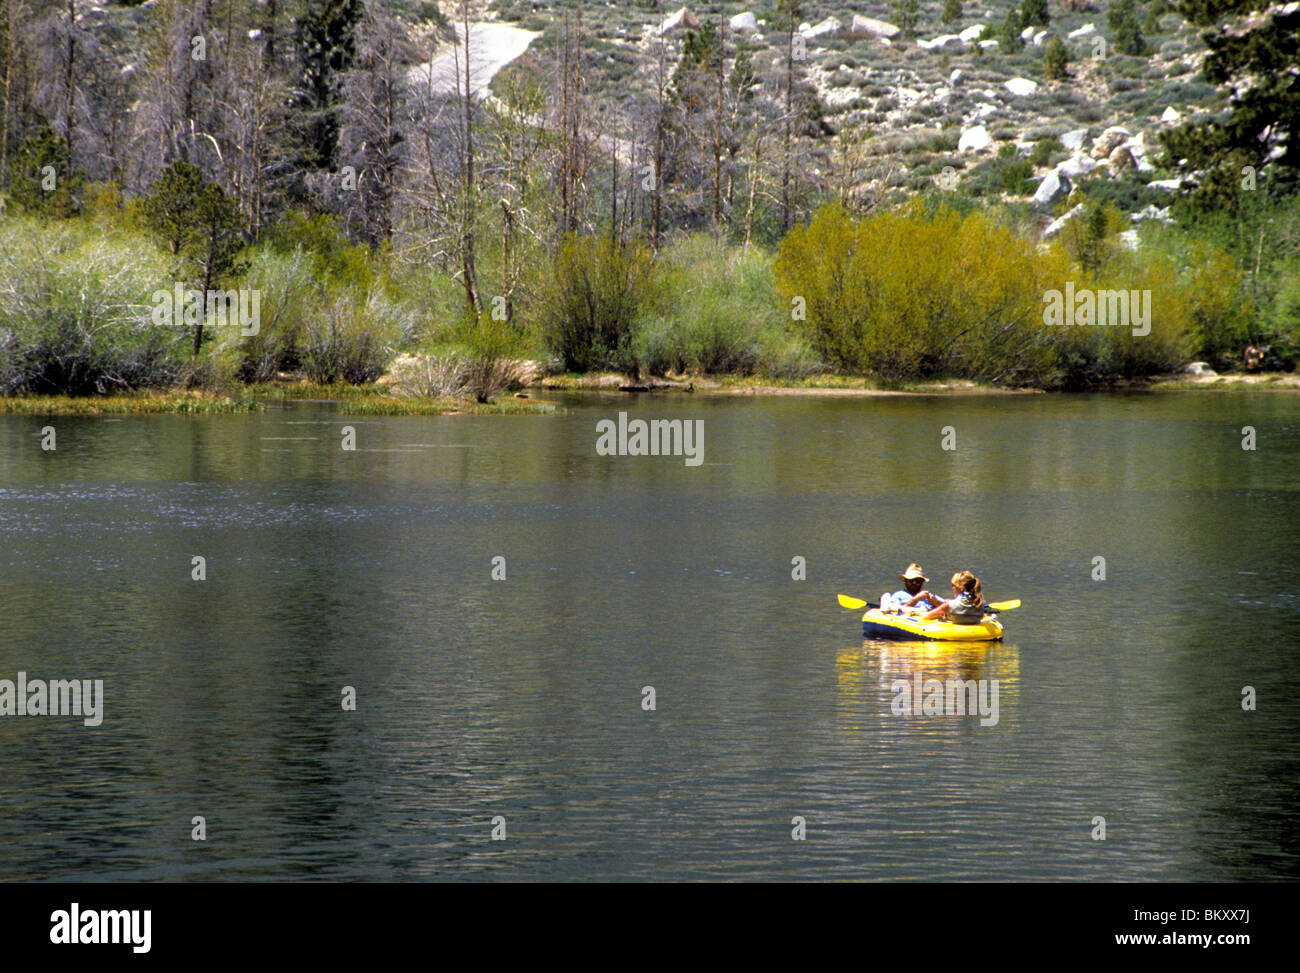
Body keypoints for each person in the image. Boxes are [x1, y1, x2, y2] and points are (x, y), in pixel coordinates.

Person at [915, 570, 986, 624]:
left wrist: (916, 613)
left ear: (961, 588)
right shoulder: (979, 602)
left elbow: (926, 616)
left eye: (953, 585)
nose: (952, 588)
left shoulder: (949, 605)